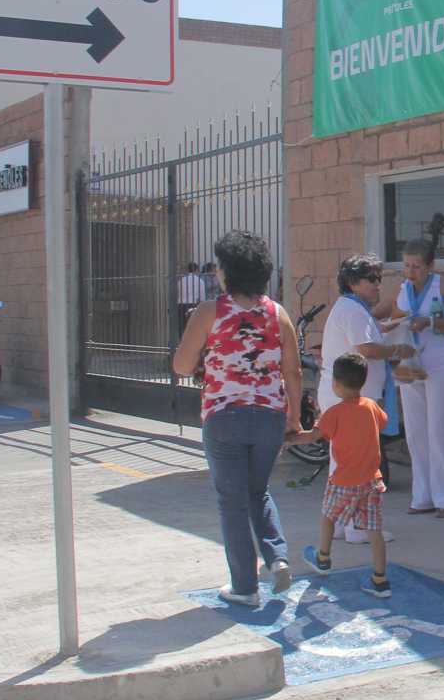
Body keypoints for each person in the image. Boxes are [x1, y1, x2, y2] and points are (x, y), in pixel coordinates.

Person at [173, 231, 301, 609]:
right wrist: (292, 417)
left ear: (227, 271)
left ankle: (244, 587)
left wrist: (201, 359)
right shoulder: (278, 314)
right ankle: (277, 556)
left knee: (231, 500)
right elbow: (292, 371)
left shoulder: (210, 311)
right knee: (258, 491)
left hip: (224, 414)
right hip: (269, 416)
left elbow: (181, 364)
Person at [373, 238, 444, 518]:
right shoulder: (402, 288)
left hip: (440, 360)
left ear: (430, 266)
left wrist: (431, 322)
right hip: (410, 361)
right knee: (416, 432)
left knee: (439, 430)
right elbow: (381, 312)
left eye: (417, 266)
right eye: (406, 265)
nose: (411, 271)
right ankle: (422, 496)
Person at [320, 253, 413, 544]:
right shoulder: (353, 310)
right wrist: (398, 351)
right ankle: (357, 526)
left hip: (346, 398)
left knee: (342, 463)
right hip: (350, 401)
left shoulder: (355, 309)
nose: (377, 285)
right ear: (352, 282)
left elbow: (370, 337)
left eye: (378, 279)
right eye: (371, 279)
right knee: (359, 463)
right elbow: (368, 349)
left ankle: (337, 522)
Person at [293, 353, 393, 598]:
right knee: (374, 530)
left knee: (328, 517)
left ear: (336, 384)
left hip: (344, 481)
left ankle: (323, 558)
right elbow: (383, 422)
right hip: (372, 480)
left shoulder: (334, 413)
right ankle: (380, 581)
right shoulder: (371, 406)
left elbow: (313, 436)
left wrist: (289, 438)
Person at [177, 262, 205, 327]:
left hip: (180, 305)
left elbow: (178, 293)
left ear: (187, 270)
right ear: (197, 270)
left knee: (181, 327)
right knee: (192, 326)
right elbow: (202, 297)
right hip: (193, 305)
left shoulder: (181, 280)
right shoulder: (200, 281)